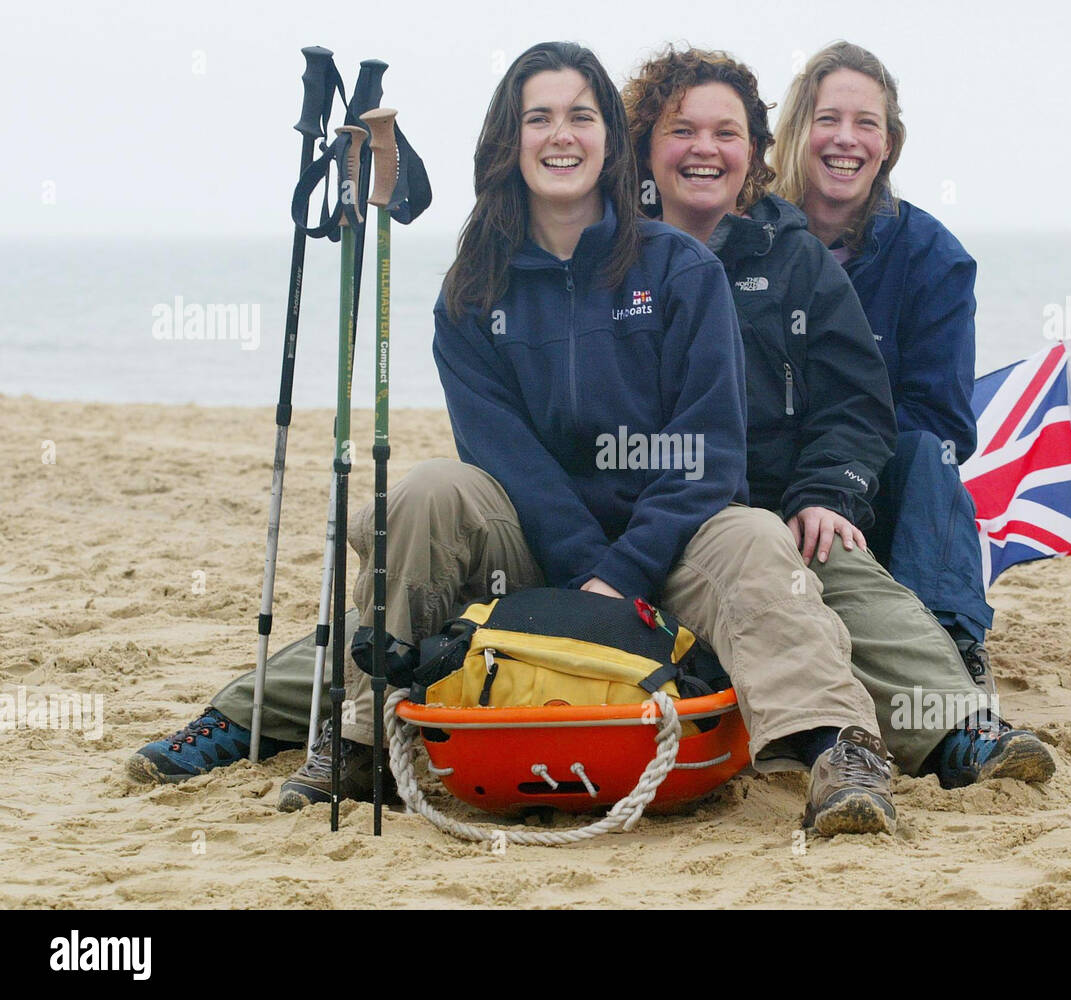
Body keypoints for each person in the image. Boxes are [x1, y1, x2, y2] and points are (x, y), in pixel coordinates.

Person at [129, 41, 901, 837]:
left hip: (673, 548)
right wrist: (582, 579)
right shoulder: (472, 290)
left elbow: (709, 455)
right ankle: (360, 740)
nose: (560, 135)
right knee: (426, 491)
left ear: (610, 142)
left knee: (750, 532)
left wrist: (623, 573)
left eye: (580, 116)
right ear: (510, 139)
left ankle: (839, 751)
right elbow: (506, 464)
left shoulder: (679, 270)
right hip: (528, 553)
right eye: (539, 118)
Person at [622, 46, 1053, 787]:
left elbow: (863, 401)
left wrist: (827, 489)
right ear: (643, 149)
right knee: (761, 557)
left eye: (725, 133)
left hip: (791, 503)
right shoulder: (605, 257)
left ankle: (961, 729)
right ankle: (834, 741)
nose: (704, 150)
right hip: (655, 521)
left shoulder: (794, 255)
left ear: (753, 149)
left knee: (847, 553)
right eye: (681, 131)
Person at [772, 41, 997, 686]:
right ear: (795, 131)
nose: (846, 139)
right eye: (827, 119)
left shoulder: (932, 257)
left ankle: (951, 643)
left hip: (875, 474)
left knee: (931, 453)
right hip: (758, 463)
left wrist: (840, 463)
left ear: (889, 143)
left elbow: (946, 419)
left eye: (866, 123)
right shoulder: (746, 235)